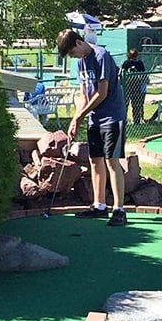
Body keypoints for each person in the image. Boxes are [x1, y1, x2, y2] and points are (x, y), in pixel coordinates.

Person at [57, 27, 127, 226]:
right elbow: (84, 93)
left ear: (79, 43)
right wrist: (75, 119)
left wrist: (81, 115)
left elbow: (101, 93)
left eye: (72, 52)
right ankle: (99, 206)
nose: (73, 57)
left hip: (112, 116)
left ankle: (119, 210)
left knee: (112, 161)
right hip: (94, 119)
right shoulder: (81, 62)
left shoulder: (101, 56)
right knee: (95, 161)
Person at [120, 48, 147, 123]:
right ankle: (136, 120)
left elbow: (121, 73)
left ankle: (123, 119)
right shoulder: (139, 63)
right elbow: (143, 74)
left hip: (127, 85)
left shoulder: (126, 63)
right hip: (137, 85)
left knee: (125, 103)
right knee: (136, 103)